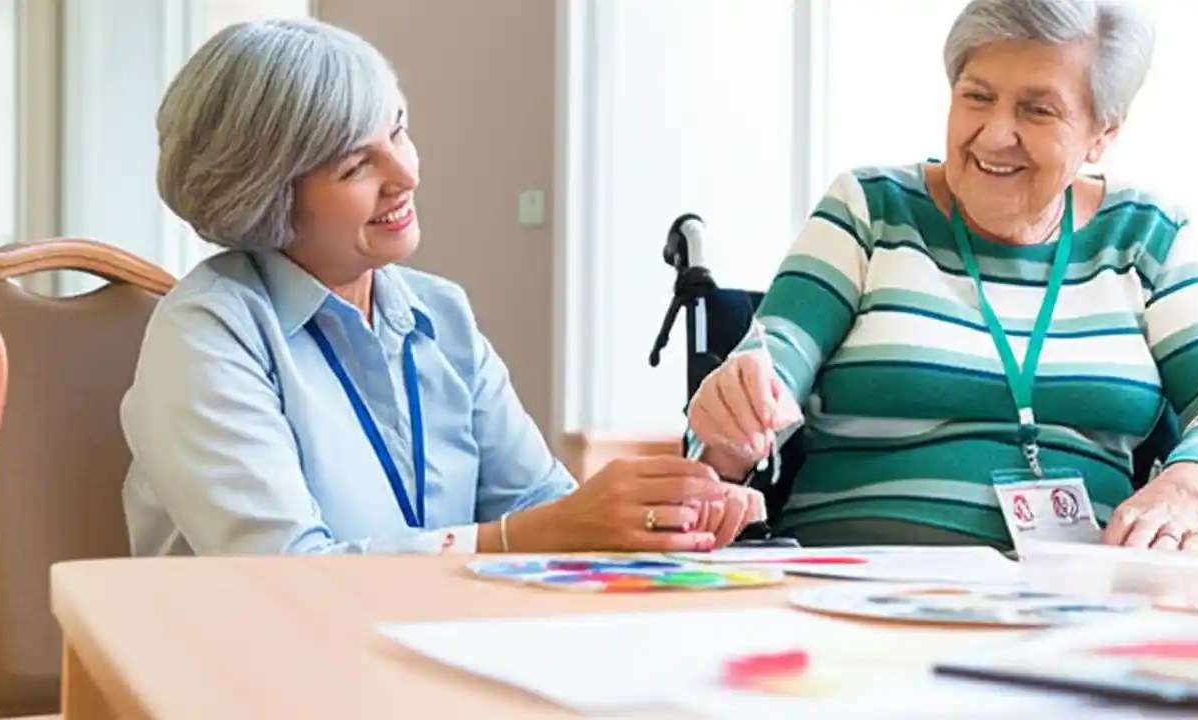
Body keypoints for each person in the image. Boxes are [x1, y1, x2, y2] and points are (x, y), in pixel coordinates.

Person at [121, 18, 765, 556]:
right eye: (355, 165)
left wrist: (685, 498)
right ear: (267, 199)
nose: (404, 174)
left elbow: (546, 508)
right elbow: (286, 572)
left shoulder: (439, 314)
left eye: (397, 130)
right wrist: (524, 536)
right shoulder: (207, 333)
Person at [688, 0, 1198, 552]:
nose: (995, 135)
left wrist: (1189, 486)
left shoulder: (1146, 235)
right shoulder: (870, 209)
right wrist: (738, 417)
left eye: (1037, 109)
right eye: (977, 96)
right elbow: (776, 355)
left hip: (1072, 601)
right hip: (856, 580)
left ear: (1103, 134)